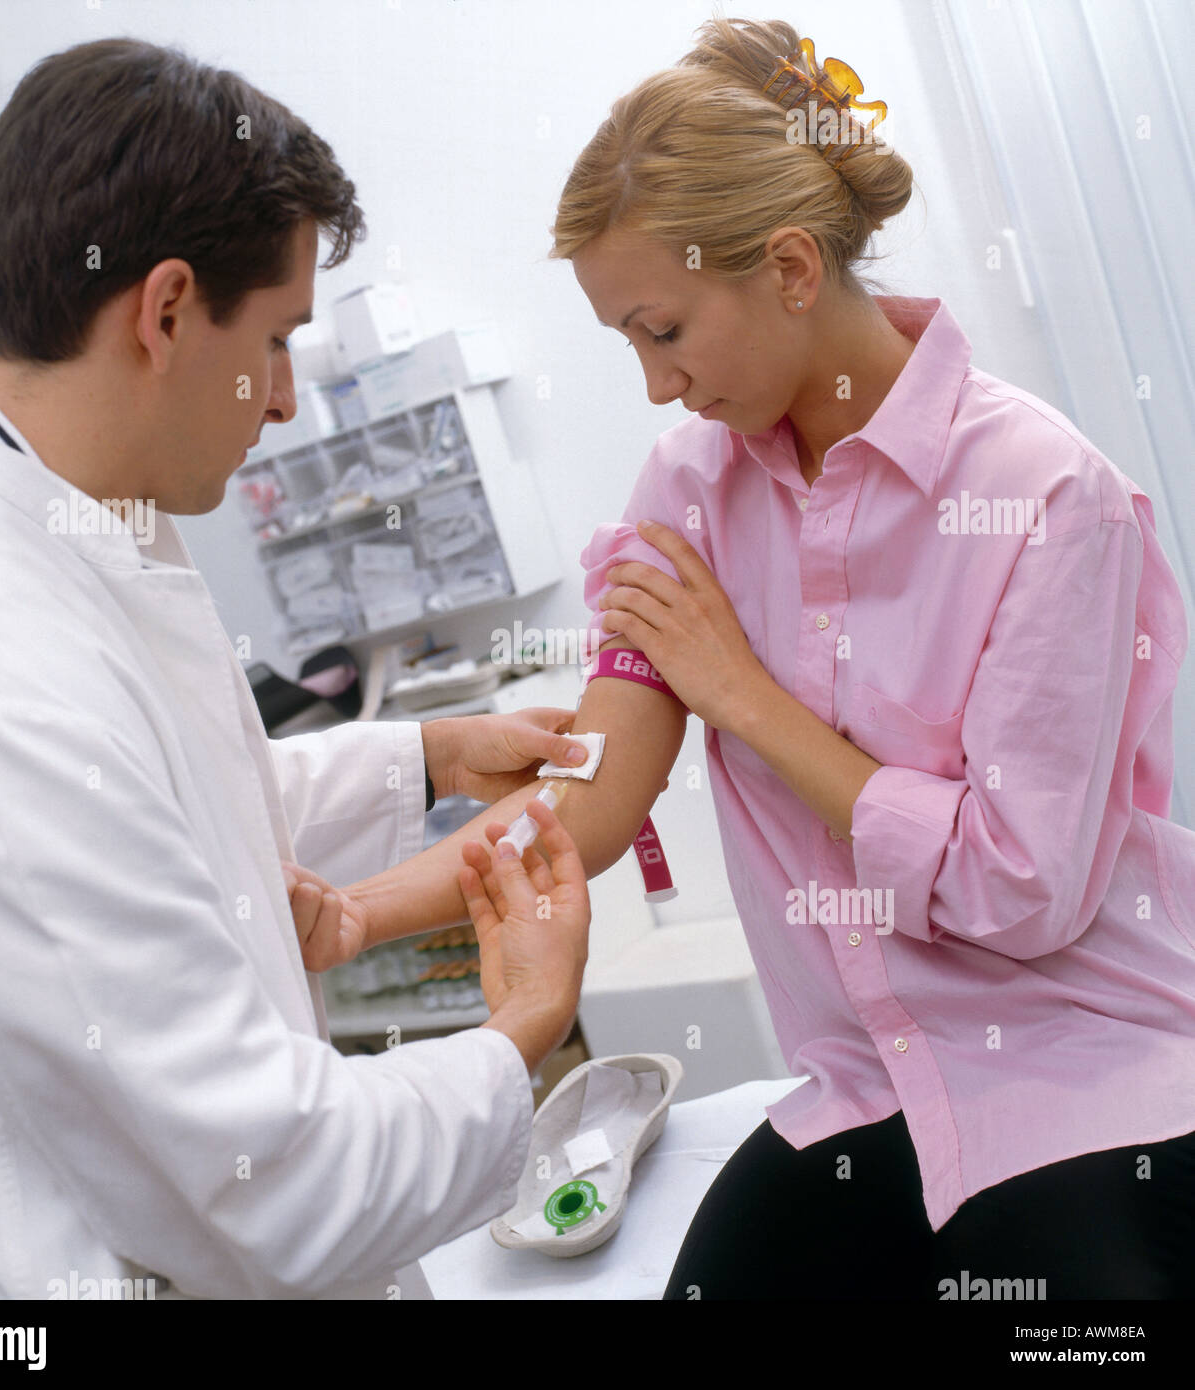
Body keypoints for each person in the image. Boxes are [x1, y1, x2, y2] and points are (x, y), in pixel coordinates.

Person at [334, 16, 1195, 1299]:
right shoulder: (685, 490)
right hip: (862, 1086)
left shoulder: (1047, 496)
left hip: (1083, 1061)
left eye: (664, 329)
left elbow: (1023, 890)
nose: (652, 385)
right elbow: (594, 795)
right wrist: (353, 914)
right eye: (625, 340)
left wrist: (739, 693)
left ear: (791, 267)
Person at [0, 36, 598, 1300]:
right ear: (165, 311)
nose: (281, 401)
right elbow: (264, 1187)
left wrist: (423, 755)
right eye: (275, 340)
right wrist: (519, 1030)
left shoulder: (64, 494)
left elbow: (160, 805)